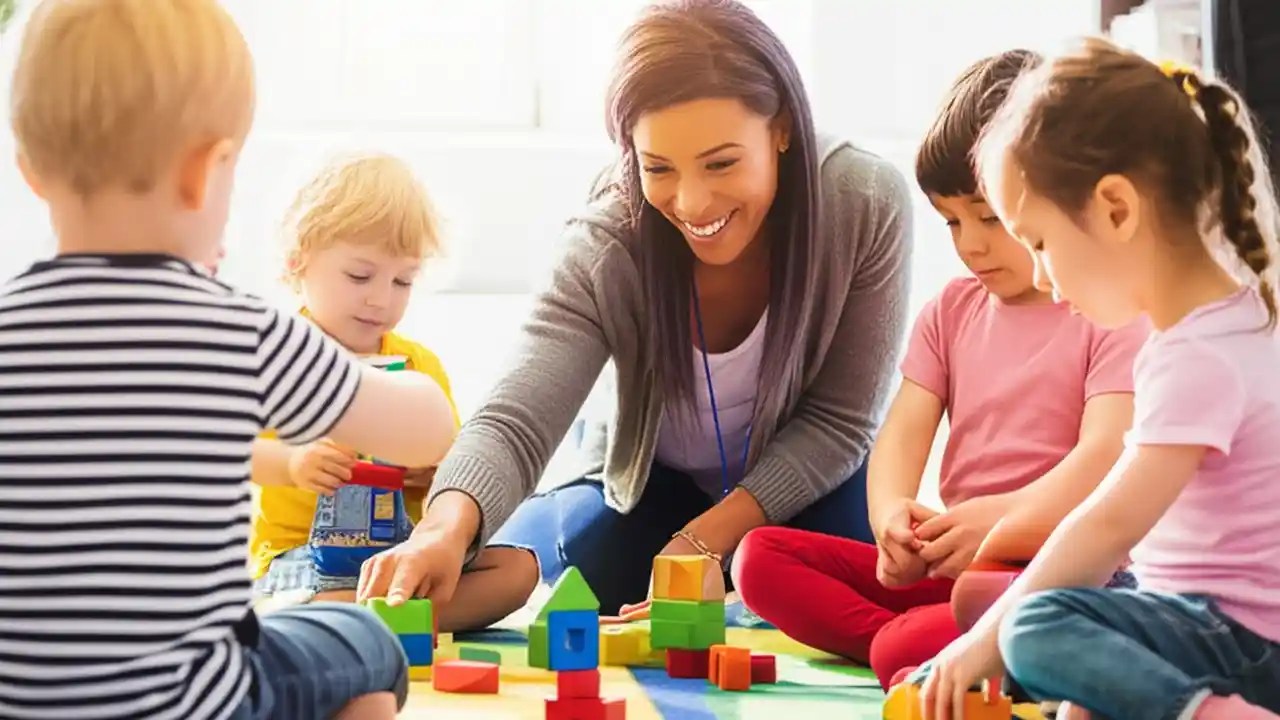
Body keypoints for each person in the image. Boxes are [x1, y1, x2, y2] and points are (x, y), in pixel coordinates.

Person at [356, 0, 914, 617]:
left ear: (781, 128)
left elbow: (839, 422)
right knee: (573, 572)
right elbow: (517, 416)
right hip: (650, 487)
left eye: (721, 162)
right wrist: (441, 528)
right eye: (659, 168)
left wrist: (703, 541)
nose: (692, 202)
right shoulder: (606, 242)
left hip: (809, 488)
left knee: (847, 584)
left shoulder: (862, 202)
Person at [0, 2, 457, 718]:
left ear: (30, 171)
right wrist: (391, 386)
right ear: (207, 171)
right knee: (366, 643)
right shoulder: (239, 332)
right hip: (201, 701)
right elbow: (430, 431)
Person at [728, 49, 1147, 690]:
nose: (970, 244)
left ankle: (926, 651)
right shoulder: (952, 310)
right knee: (759, 558)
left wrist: (1000, 522)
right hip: (959, 571)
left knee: (918, 637)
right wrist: (892, 519)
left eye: (990, 217)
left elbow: (1103, 463)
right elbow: (900, 433)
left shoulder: (1108, 312)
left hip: (1061, 578)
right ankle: (934, 653)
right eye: (952, 220)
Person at [913, 38, 1280, 720]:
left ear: (1116, 208)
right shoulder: (1235, 322)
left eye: (1041, 242)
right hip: (1198, 622)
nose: (1042, 276)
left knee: (1031, 628)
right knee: (1075, 676)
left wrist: (982, 644)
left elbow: (1106, 526)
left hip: (1238, 643)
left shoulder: (1196, 356)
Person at [248, 154, 471, 603]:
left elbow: (459, 464)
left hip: (399, 556)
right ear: (297, 262)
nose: (381, 300)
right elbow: (226, 451)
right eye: (360, 275)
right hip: (299, 558)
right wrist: (292, 464)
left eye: (403, 282)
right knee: (313, 593)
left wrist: (430, 475)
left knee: (517, 569)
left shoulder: (417, 368)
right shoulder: (274, 354)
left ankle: (371, 612)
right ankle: (382, 611)